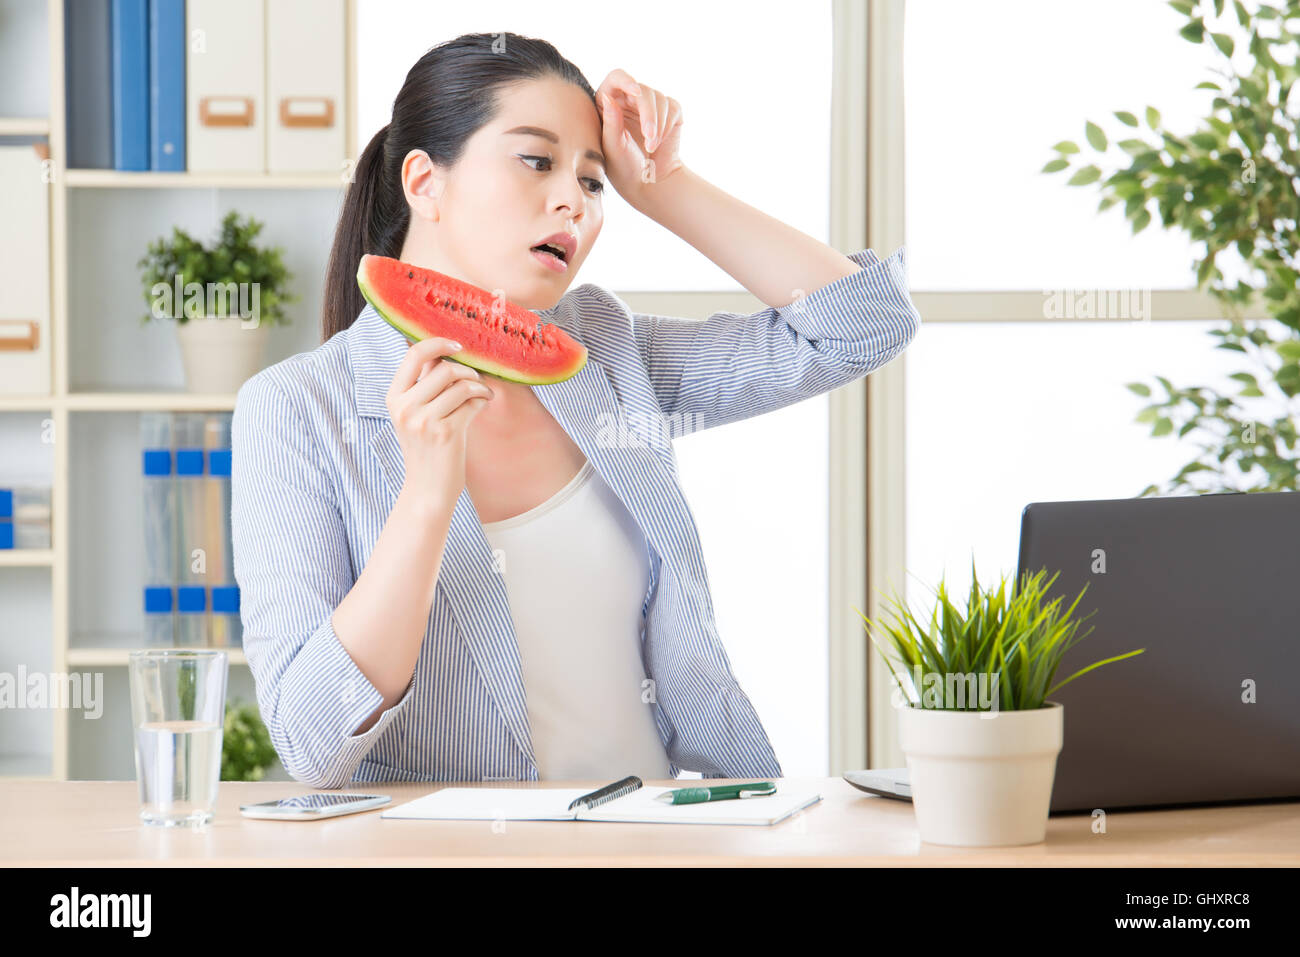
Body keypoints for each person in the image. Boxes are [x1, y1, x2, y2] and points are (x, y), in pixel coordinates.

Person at [231, 31, 921, 789]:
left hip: (660, 841)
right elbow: (309, 739)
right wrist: (426, 500)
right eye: (536, 160)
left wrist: (666, 184)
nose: (574, 201)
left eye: (593, 183)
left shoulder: (608, 353)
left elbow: (865, 325)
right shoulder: (296, 410)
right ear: (424, 183)